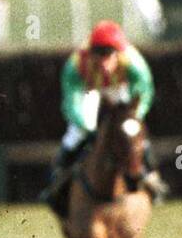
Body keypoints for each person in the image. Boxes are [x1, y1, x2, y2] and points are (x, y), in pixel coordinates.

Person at [42, 20, 166, 216]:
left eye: (109, 54)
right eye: (98, 53)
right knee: (76, 133)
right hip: (88, 89)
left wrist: (133, 117)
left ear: (119, 53)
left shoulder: (134, 63)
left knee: (131, 131)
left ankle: (151, 176)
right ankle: (57, 181)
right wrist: (88, 128)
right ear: (91, 52)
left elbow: (143, 92)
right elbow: (72, 103)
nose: (103, 60)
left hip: (119, 88)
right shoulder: (75, 66)